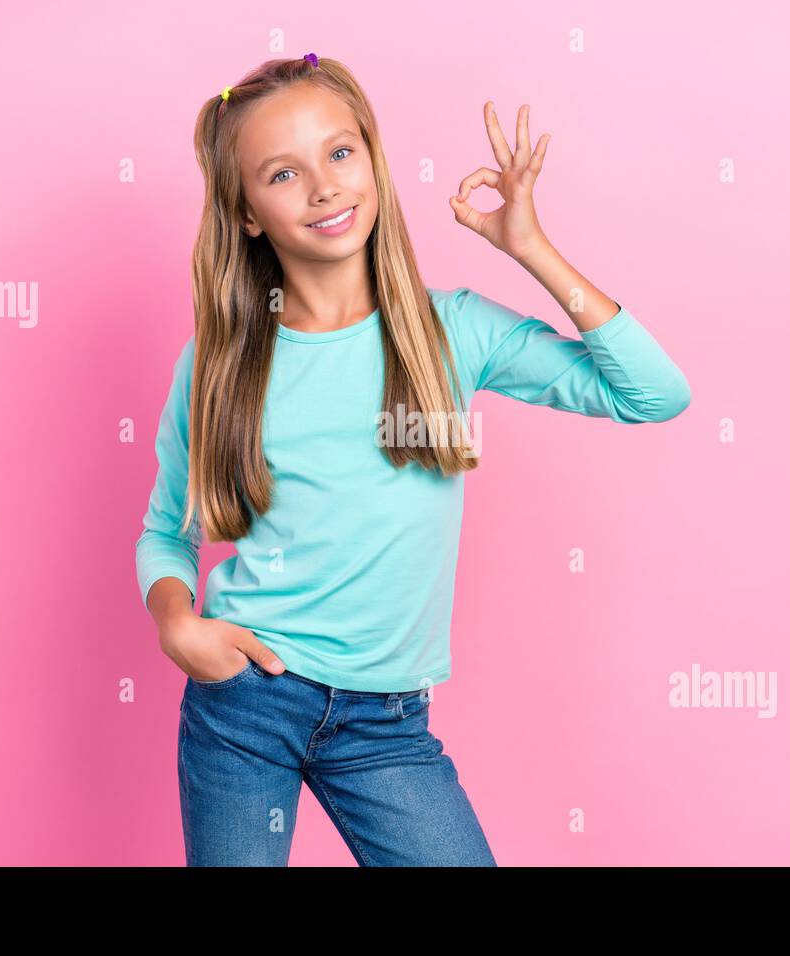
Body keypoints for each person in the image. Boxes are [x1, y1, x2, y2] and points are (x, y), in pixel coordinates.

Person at [136, 54, 691, 866]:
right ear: (247, 213)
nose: (324, 188)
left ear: (372, 159)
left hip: (385, 724)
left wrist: (530, 247)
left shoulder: (452, 332)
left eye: (340, 153)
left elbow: (653, 392)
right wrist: (177, 625)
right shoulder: (219, 362)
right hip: (245, 703)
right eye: (283, 173)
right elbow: (164, 527)